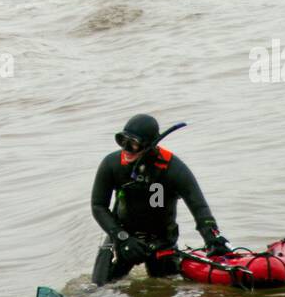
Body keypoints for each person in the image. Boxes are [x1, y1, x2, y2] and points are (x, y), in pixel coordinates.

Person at [90, 115, 230, 285]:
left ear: (150, 144)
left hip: (161, 243)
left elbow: (199, 207)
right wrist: (122, 237)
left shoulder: (173, 168)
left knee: (164, 292)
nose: (126, 149)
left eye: (133, 143)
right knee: (98, 290)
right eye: (122, 141)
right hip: (122, 238)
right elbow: (98, 206)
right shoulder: (111, 164)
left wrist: (212, 238)